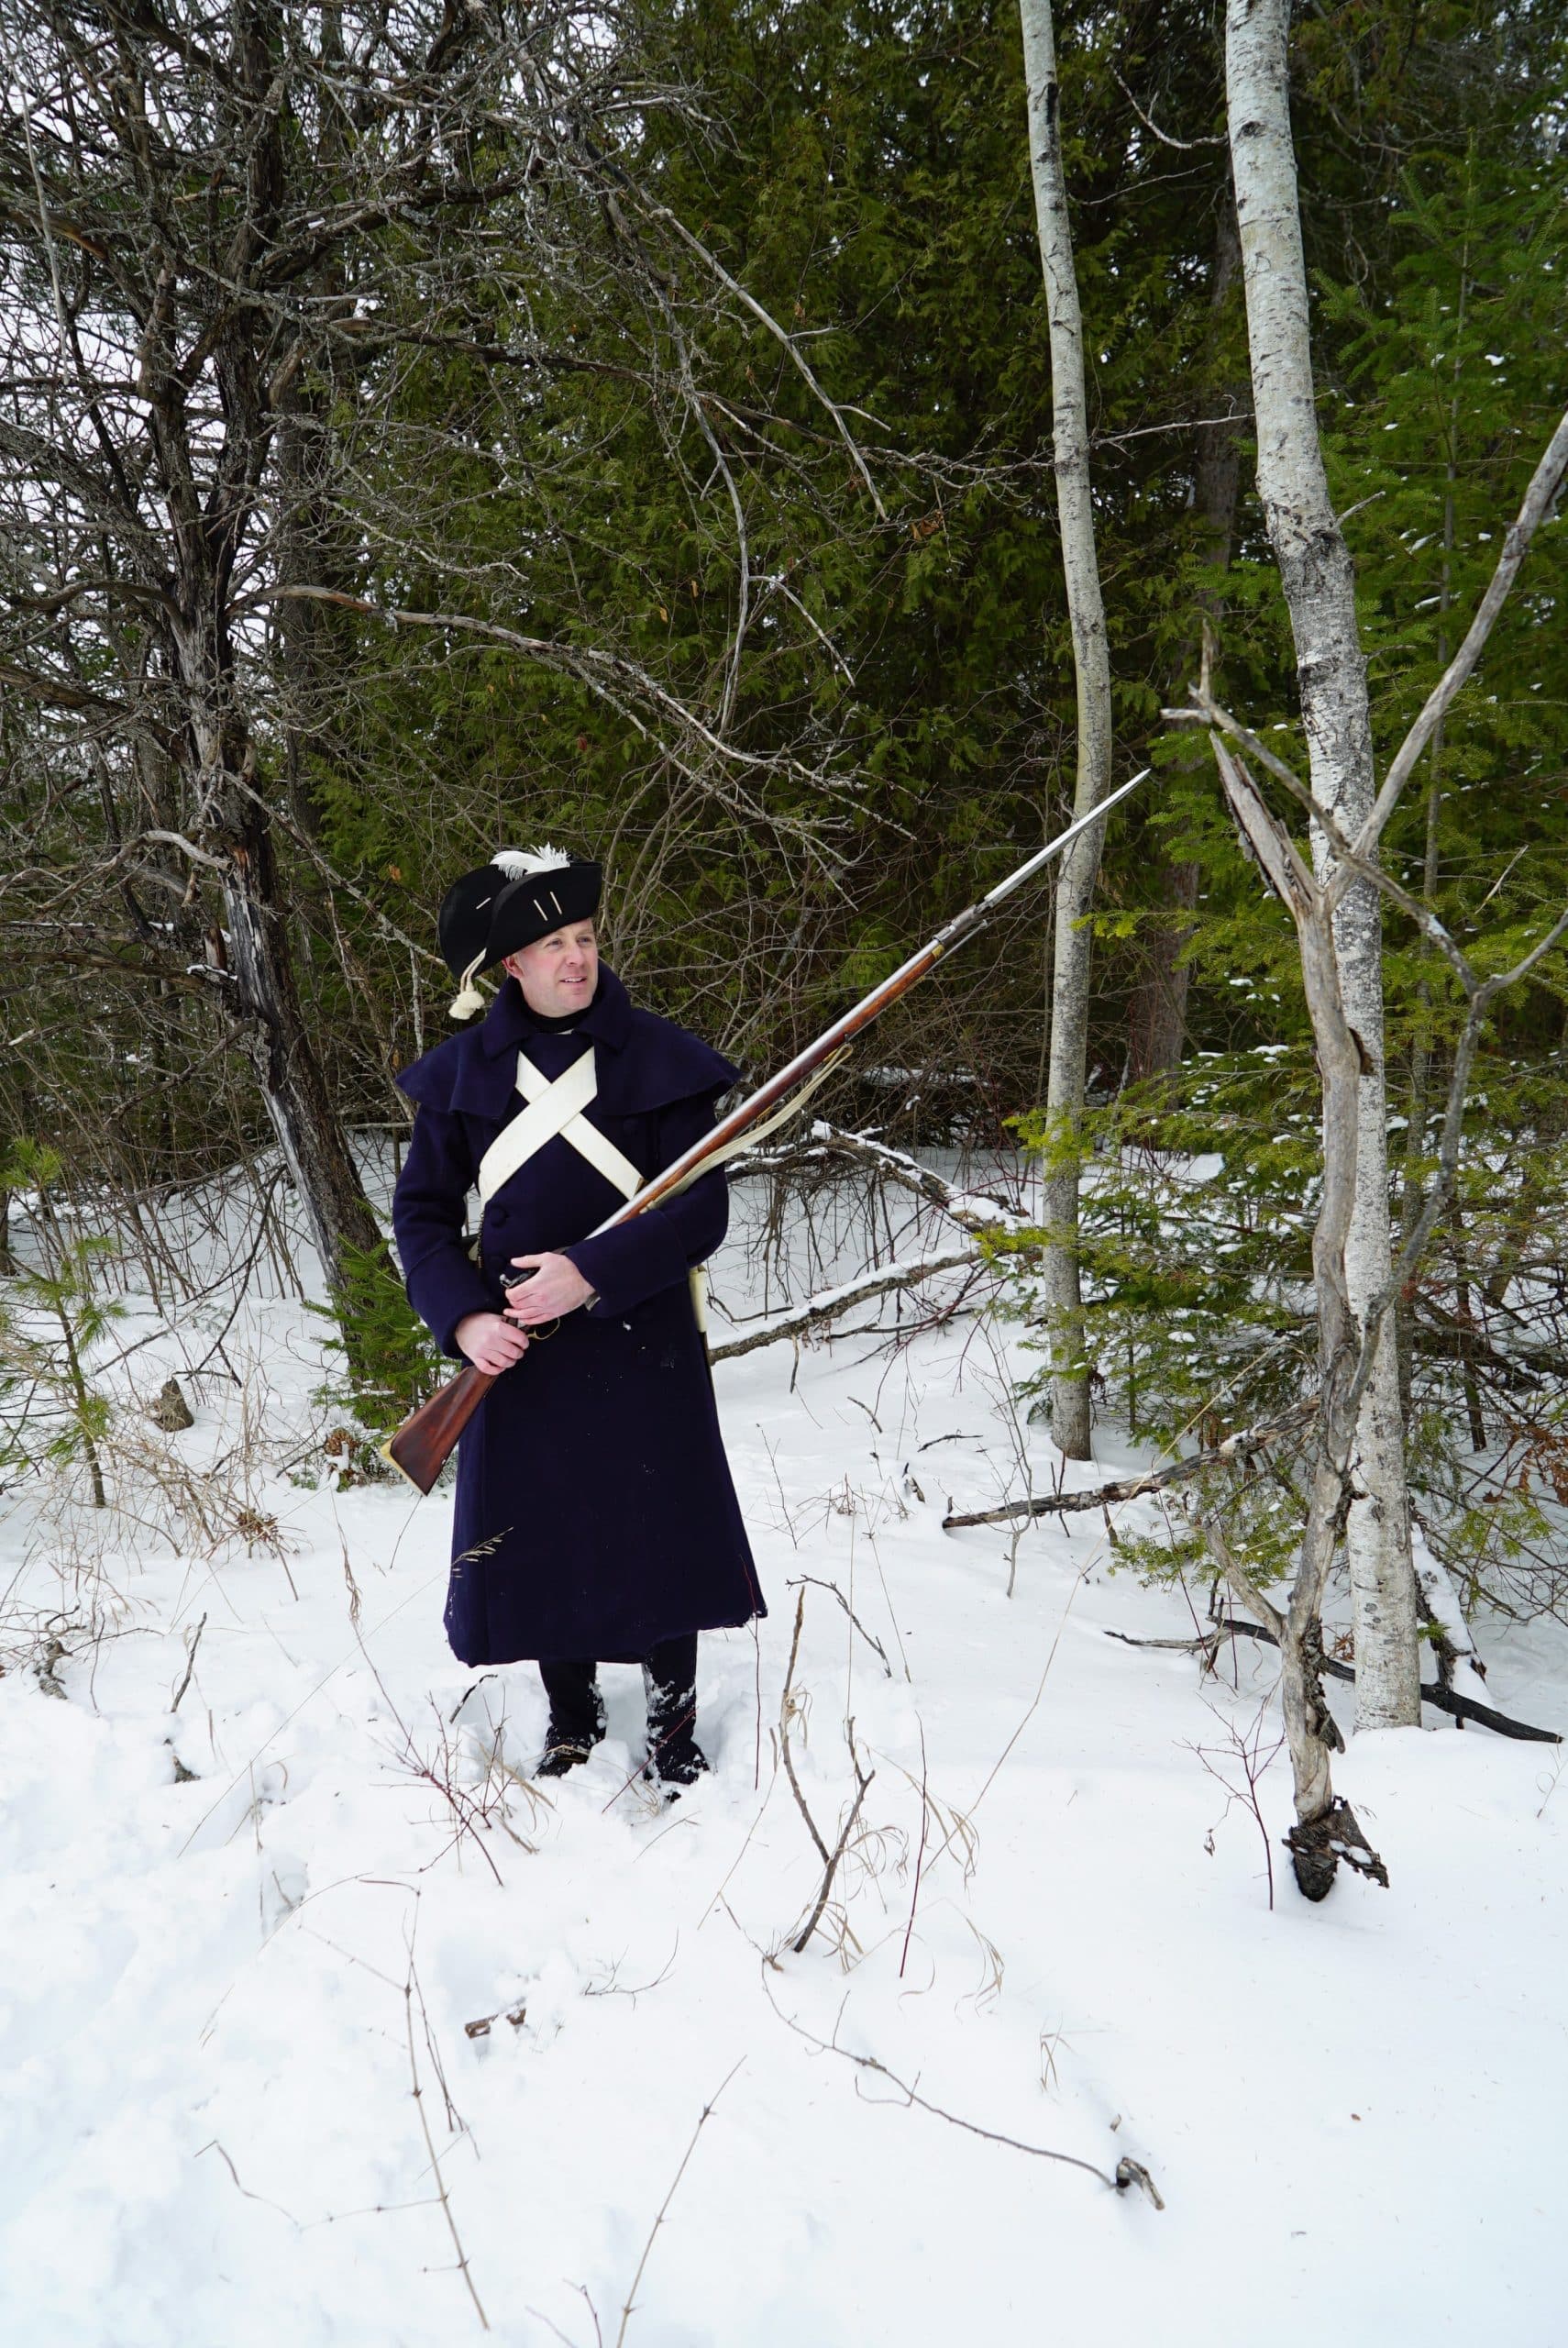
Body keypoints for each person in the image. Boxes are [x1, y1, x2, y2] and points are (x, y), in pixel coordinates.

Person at [391, 845, 763, 1790]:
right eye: (554, 943)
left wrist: (590, 1272)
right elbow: (424, 1218)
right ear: (510, 966)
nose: (576, 957)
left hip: (642, 1337)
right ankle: (571, 1715)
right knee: (548, 1531)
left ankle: (674, 1723)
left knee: (659, 1526)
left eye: (585, 936)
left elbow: (700, 1210)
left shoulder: (659, 1058)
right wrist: (466, 1321)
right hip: (521, 1352)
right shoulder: (460, 1076)